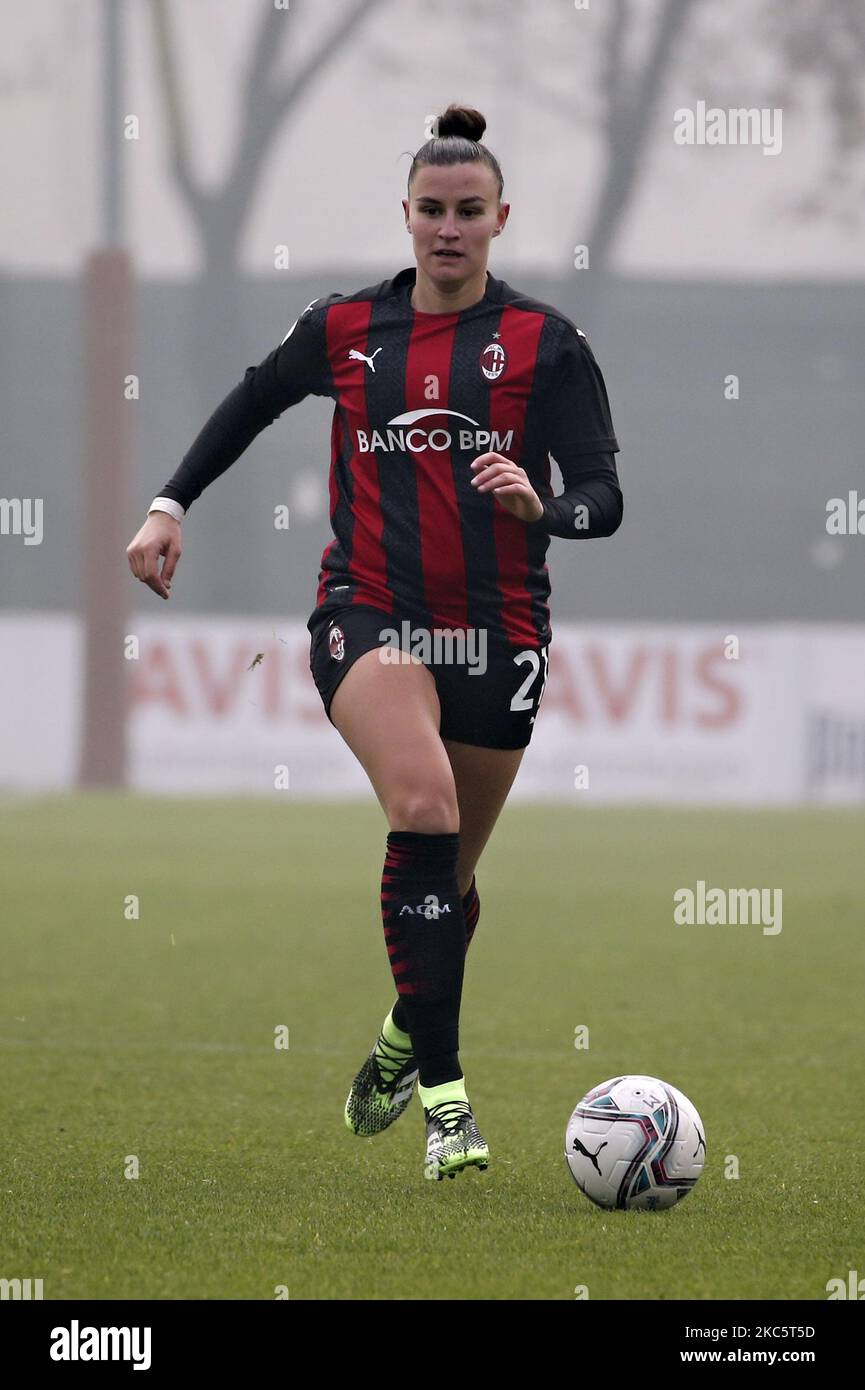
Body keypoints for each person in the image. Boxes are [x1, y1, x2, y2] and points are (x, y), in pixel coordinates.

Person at [126, 101, 623, 1182]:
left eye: (470, 212)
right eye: (432, 210)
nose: (449, 228)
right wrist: (171, 503)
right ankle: (448, 1104)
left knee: (452, 880)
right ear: (405, 214)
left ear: (501, 219)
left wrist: (541, 509)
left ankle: (404, 1035)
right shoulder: (348, 328)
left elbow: (604, 500)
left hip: (500, 636)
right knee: (423, 809)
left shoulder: (546, 344)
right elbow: (251, 401)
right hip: (369, 614)